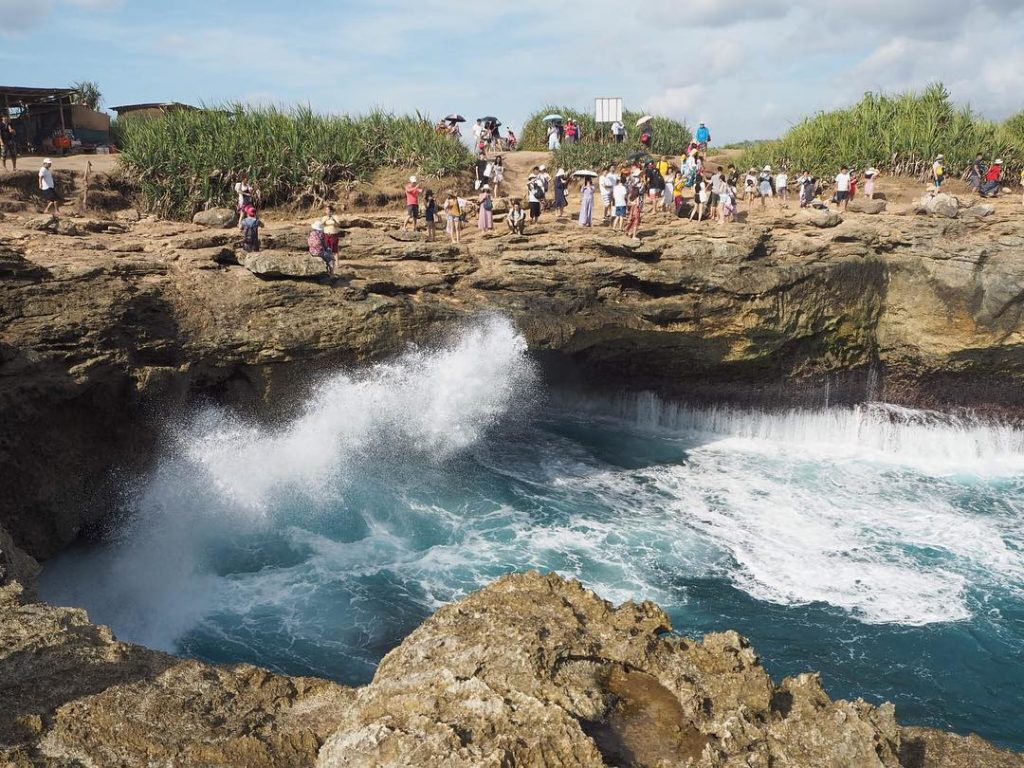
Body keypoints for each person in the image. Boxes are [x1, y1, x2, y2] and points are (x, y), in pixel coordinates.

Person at [321, 204, 342, 271]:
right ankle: (328, 262)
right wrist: (326, 219)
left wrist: (333, 219)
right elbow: (321, 225)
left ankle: (337, 264)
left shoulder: (335, 217)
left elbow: (338, 224)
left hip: (333, 234)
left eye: (328, 210)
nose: (326, 211)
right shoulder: (324, 217)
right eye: (326, 210)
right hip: (326, 234)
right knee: (326, 249)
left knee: (335, 250)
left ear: (331, 210)